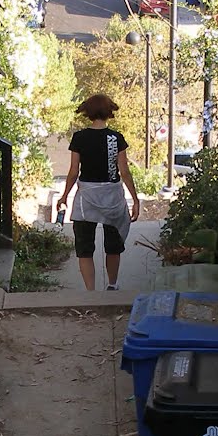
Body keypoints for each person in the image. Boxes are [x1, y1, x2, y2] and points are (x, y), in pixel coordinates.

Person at [57, 93, 141, 290]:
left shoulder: (79, 138)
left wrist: (64, 196)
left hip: (86, 198)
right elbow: (125, 172)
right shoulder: (116, 138)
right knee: (113, 246)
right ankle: (112, 285)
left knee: (85, 249)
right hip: (113, 197)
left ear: (87, 112)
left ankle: (91, 292)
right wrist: (135, 199)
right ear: (109, 111)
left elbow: (73, 172)